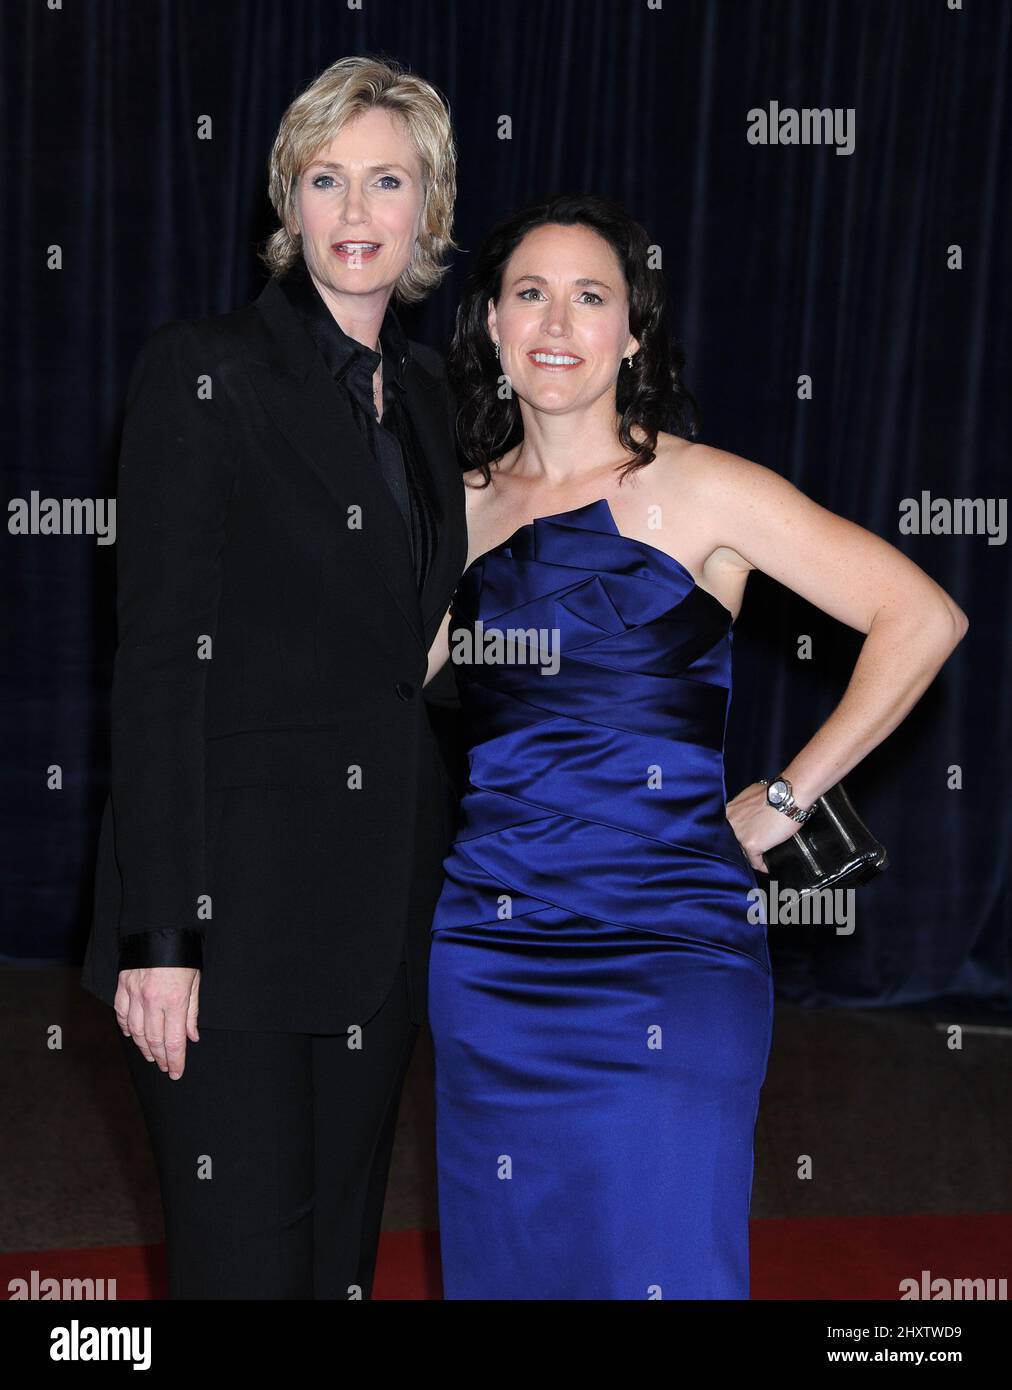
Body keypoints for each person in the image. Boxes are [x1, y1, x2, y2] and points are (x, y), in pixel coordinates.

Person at [423, 193, 969, 1300]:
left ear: (633, 333)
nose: (557, 323)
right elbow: (380, 692)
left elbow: (922, 617)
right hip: (491, 955)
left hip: (667, 952)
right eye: (530, 294)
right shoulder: (454, 506)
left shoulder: (696, 488)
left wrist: (786, 793)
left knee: (659, 1266)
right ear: (490, 325)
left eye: (591, 297)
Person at [81, 56, 466, 1299]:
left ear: (428, 212)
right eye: (326, 179)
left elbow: (404, 649)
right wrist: (161, 934)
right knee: (242, 1273)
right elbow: (155, 666)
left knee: (334, 1269)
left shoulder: (422, 394)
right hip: (228, 924)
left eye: (387, 181)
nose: (356, 212)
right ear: (288, 204)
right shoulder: (206, 373)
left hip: (375, 921)